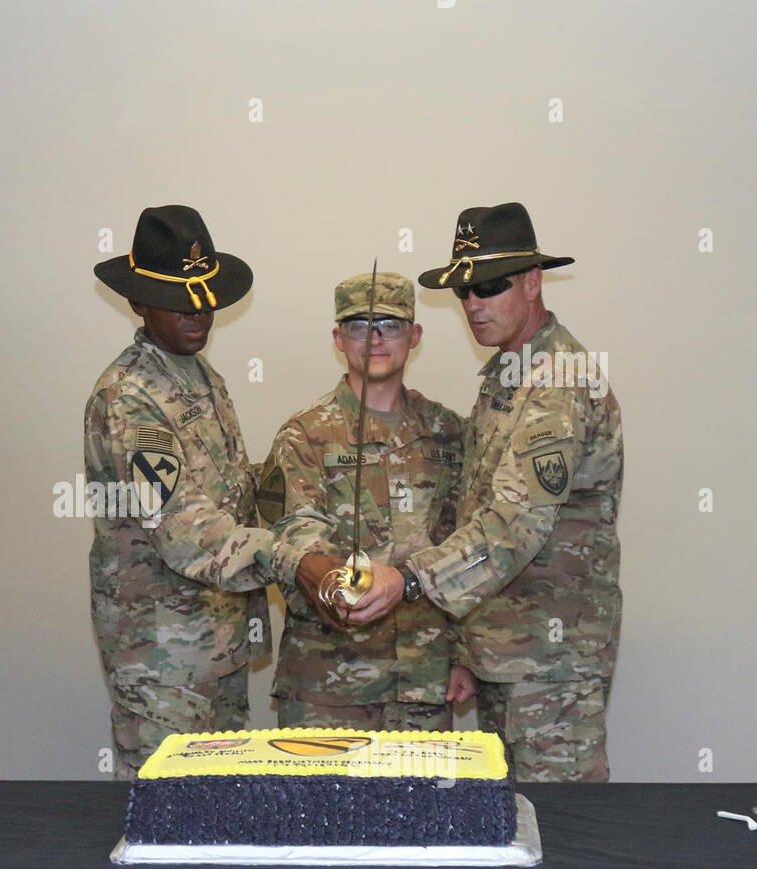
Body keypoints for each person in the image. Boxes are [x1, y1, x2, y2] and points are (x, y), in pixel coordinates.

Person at [346, 203, 622, 781]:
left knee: (565, 837)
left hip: (552, 666)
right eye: (463, 291)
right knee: (512, 833)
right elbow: (472, 513)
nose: (473, 304)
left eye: (489, 287)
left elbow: (514, 524)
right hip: (507, 656)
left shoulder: (559, 382)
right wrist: (469, 650)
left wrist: (412, 577)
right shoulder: (509, 375)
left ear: (533, 283)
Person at [86, 205, 273, 779]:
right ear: (137, 302)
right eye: (177, 300)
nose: (198, 314)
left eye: (206, 297)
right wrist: (296, 559)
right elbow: (186, 528)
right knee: (167, 825)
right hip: (164, 658)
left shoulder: (198, 374)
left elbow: (226, 487)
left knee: (221, 820)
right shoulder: (130, 395)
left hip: (217, 646)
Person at [258, 271, 474, 731]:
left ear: (414, 336)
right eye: (359, 325)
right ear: (339, 338)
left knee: (423, 806)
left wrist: (467, 654)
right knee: (317, 807)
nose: (374, 338)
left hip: (424, 683)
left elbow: (471, 548)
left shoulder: (451, 434)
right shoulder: (304, 435)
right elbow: (296, 541)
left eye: (390, 325)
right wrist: (346, 584)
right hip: (328, 687)